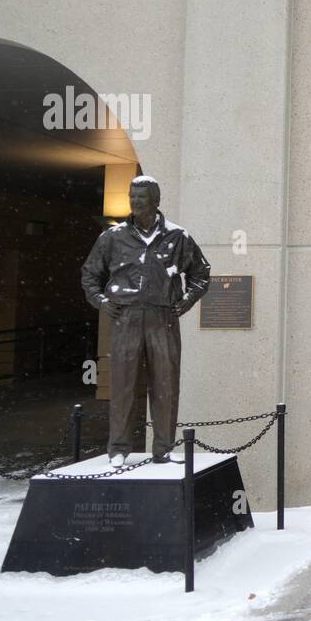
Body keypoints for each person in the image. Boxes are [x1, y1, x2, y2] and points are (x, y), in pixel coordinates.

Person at [80, 176, 211, 467]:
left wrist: (185, 301)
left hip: (163, 317)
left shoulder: (177, 236)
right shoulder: (113, 238)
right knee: (123, 384)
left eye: (141, 197)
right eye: (132, 196)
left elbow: (201, 274)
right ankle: (118, 448)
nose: (135, 202)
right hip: (125, 317)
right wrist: (101, 301)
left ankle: (163, 448)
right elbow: (89, 274)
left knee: (165, 384)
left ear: (156, 201)